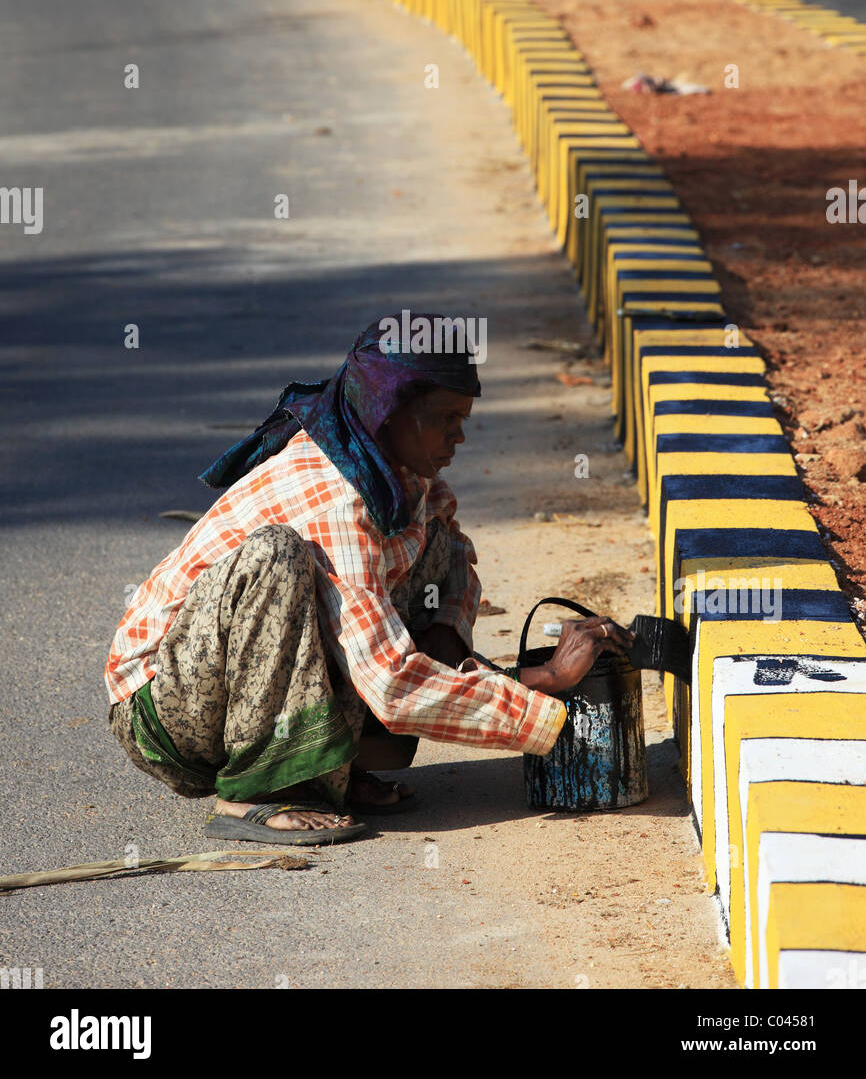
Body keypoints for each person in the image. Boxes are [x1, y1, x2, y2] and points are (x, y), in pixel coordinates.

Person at [105, 313, 634, 846]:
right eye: (447, 418)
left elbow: (453, 558)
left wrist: (446, 632)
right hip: (169, 711)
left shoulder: (391, 473)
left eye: (464, 417)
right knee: (277, 556)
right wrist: (546, 681)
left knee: (434, 541)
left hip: (228, 685)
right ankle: (254, 793)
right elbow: (392, 683)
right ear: (389, 413)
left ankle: (333, 768)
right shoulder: (337, 495)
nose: (461, 436)